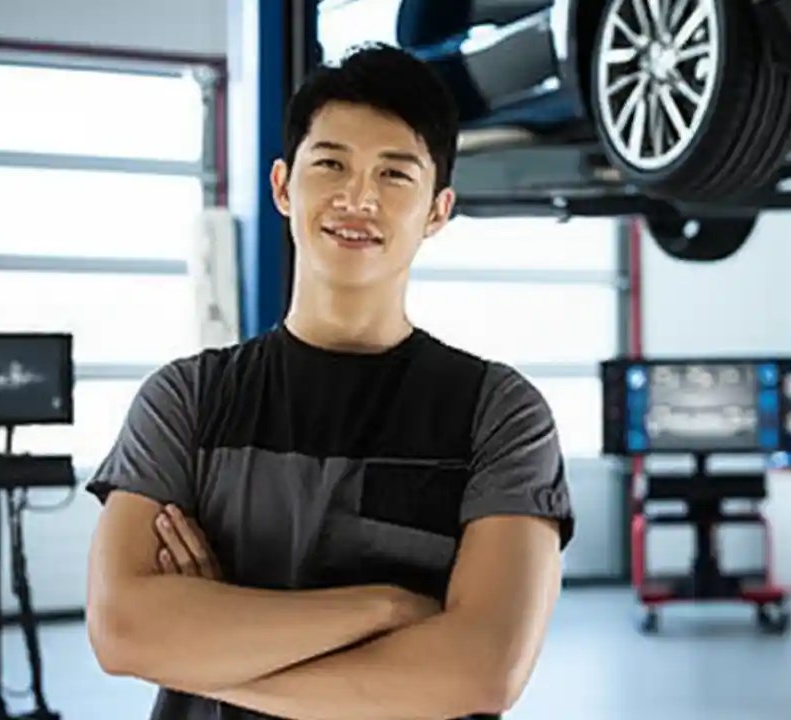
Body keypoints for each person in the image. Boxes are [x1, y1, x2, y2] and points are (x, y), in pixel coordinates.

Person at [84, 43, 575, 720]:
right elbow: (124, 631)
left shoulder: (498, 414)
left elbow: (481, 670)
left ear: (438, 210)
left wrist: (205, 652)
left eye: (395, 175)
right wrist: (387, 606)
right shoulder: (188, 401)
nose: (357, 197)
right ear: (284, 186)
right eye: (331, 164)